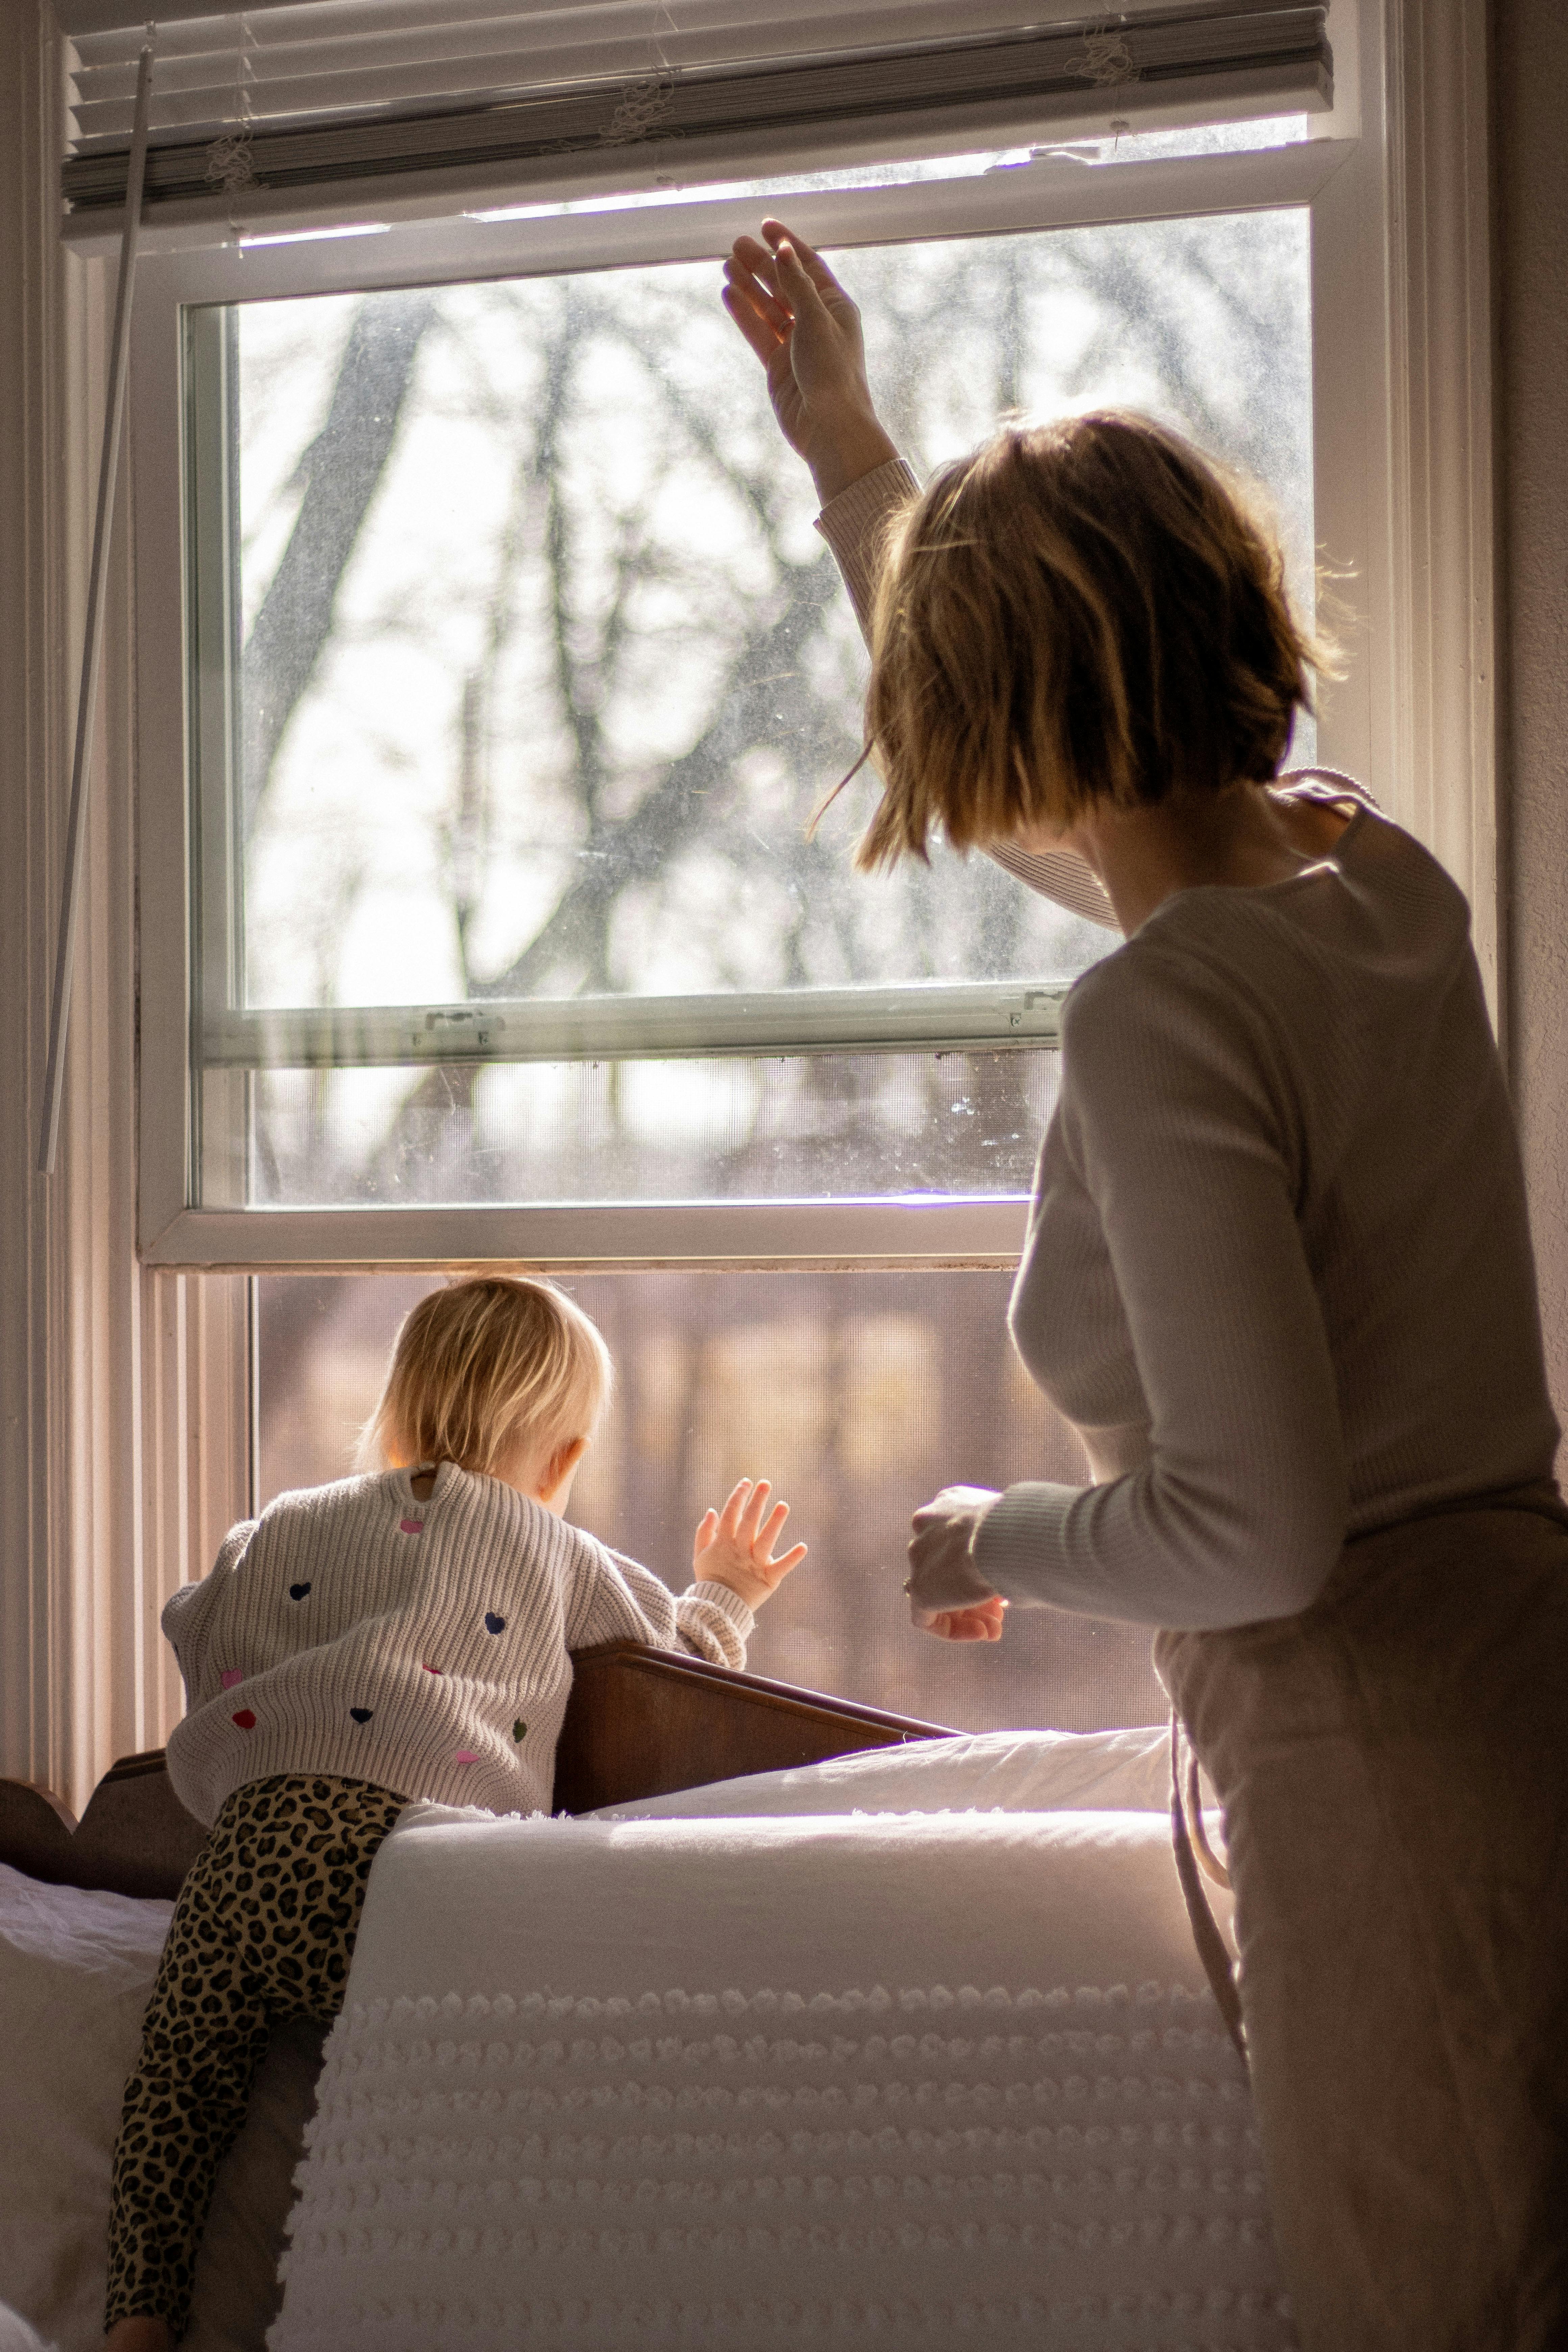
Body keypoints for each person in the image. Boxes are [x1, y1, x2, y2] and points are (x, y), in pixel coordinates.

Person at [722, 220, 1568, 2349]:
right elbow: (1096, 827)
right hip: (1512, 1686)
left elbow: (1259, 1535)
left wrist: (988, 1531)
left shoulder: (1161, 1015)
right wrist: (857, 470)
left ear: (995, 714)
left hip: (1376, 1750)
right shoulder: (1374, 876)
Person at [102, 1273, 807, 2349]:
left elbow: (194, 1624)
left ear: (391, 1412)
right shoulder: (551, 1548)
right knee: (447, 2089)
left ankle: (139, 2317)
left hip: (246, 1857)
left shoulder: (285, 1523)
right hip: (406, 1863)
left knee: (178, 2089)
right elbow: (680, 1675)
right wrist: (724, 1593)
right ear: (566, 1460)